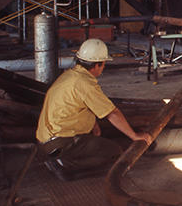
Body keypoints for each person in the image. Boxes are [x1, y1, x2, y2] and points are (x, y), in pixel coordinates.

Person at [36, 38, 153, 180]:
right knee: (114, 152)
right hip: (60, 144)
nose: (103, 68)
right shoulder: (85, 84)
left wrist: (93, 123)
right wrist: (135, 136)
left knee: (99, 143)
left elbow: (79, 105)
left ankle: (59, 160)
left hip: (45, 142)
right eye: (103, 64)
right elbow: (112, 113)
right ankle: (65, 165)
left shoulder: (69, 75)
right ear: (97, 65)